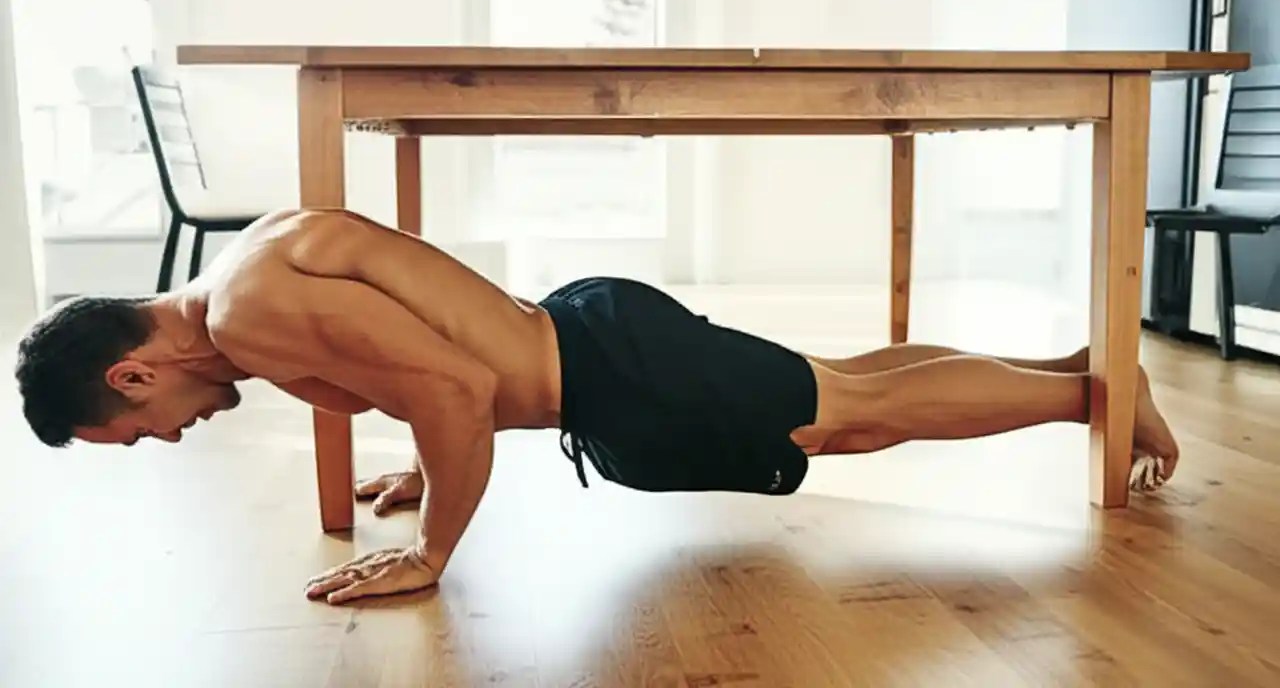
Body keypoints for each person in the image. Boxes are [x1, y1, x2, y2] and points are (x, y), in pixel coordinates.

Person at [14, 209, 1179, 605]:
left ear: (131, 373)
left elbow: (455, 385)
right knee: (847, 380)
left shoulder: (250, 318)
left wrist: (432, 549)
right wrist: (426, 466)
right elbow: (424, 356)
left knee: (852, 411)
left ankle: (1094, 393)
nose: (168, 439)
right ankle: (1074, 364)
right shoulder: (246, 275)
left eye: (138, 433)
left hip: (608, 372)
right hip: (588, 338)